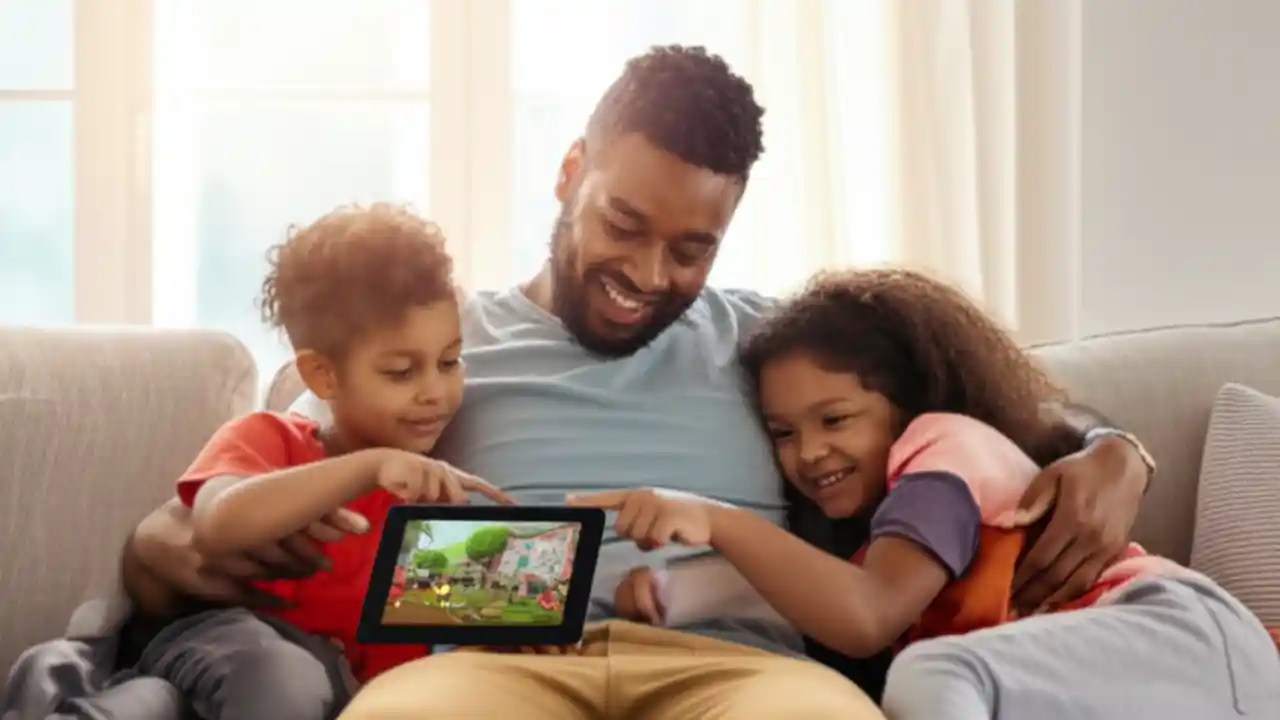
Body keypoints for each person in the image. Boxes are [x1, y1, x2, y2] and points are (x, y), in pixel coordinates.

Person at [120, 46, 1154, 718]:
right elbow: (254, 489)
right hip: (486, 669)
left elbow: (981, 417)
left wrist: (1116, 451)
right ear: (570, 173)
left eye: (690, 248)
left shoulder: (773, 344)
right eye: (624, 224)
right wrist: (161, 544)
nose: (647, 276)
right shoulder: (436, 350)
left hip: (741, 672)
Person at [590, 268, 1280, 719]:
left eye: (835, 420)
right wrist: (672, 595)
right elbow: (821, 593)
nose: (810, 453)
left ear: (905, 401)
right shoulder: (883, 542)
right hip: (1136, 685)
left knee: (927, 676)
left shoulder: (943, 452)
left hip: (1180, 633)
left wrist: (716, 519)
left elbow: (866, 614)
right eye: (783, 432)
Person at [120, 203, 510, 720]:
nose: (435, 392)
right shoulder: (272, 440)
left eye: (449, 362)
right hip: (233, 648)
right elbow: (217, 523)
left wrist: (513, 633)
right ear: (322, 376)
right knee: (284, 678)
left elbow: (451, 633)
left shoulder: (433, 497)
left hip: (341, 685)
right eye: (401, 372)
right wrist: (367, 467)